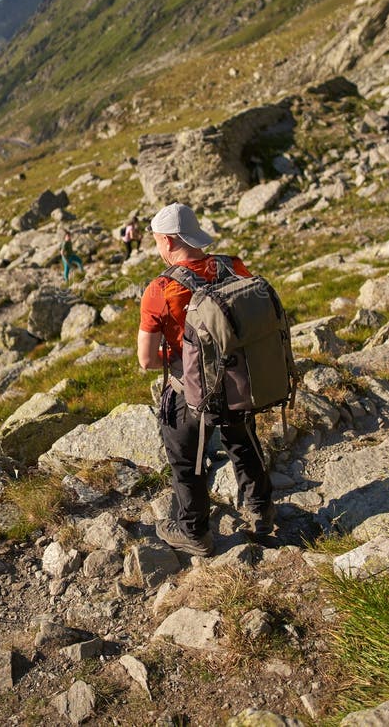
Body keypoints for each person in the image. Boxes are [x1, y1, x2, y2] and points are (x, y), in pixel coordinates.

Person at [137, 202, 274, 557]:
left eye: (156, 240)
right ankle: (261, 512)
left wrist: (184, 356)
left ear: (169, 241)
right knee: (243, 442)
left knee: (187, 460)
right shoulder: (233, 266)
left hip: (191, 389)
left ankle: (194, 533)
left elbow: (147, 359)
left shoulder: (160, 289)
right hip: (239, 378)